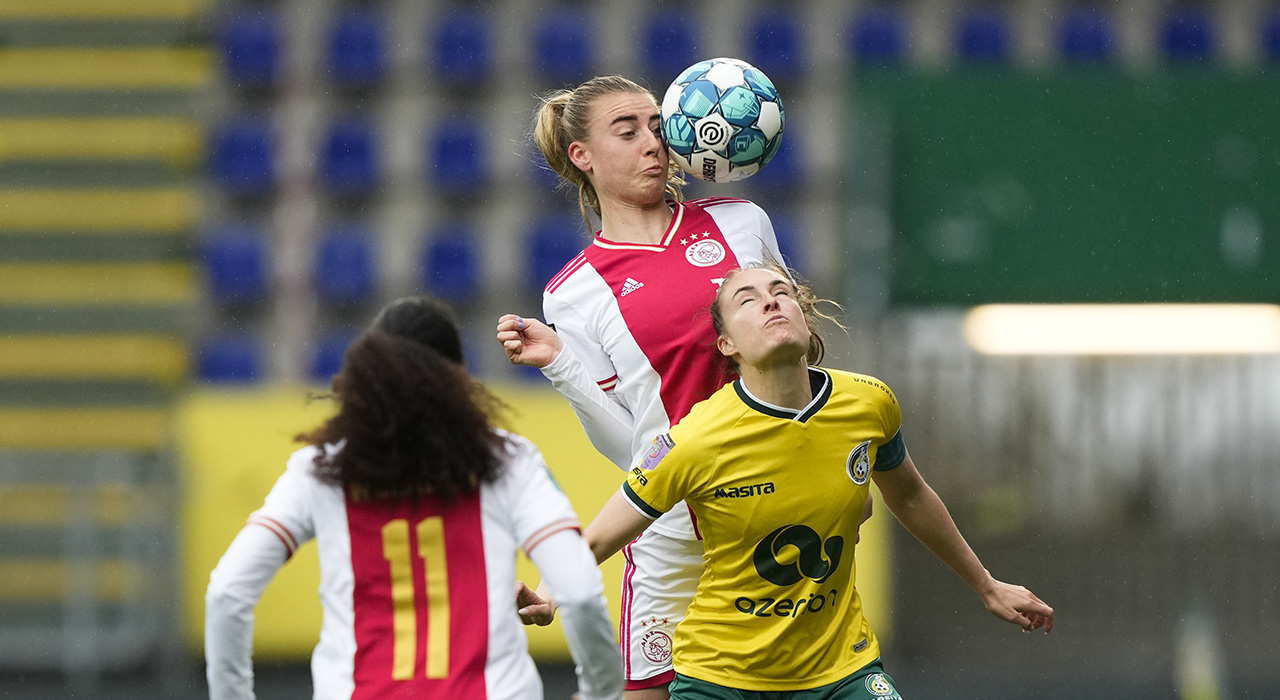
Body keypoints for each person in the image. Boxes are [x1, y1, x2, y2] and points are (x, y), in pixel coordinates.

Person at [527, 264, 1055, 698]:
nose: (772, 301)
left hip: (841, 671)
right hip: (721, 678)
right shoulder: (695, 438)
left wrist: (986, 584)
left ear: (807, 321)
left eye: (782, 292)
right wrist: (550, 592)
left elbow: (911, 494)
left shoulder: (869, 403)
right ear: (726, 344)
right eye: (748, 300)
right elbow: (604, 532)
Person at [495, 75, 791, 699]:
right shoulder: (574, 291)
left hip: (776, 498)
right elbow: (634, 448)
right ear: (583, 157)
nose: (652, 144)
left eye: (657, 126)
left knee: (799, 680)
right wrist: (560, 364)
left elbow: (797, 351)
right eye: (626, 133)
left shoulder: (742, 223)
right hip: (673, 522)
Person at [205, 296, 623, 700]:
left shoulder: (319, 468)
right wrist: (599, 692)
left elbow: (227, 592)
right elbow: (581, 592)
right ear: (460, 377)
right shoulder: (510, 459)